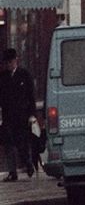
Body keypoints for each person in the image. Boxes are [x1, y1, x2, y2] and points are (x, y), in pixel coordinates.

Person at [0, 49, 35, 181]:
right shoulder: (3, 78)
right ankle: (12, 172)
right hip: (8, 116)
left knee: (22, 143)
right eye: (6, 63)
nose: (8, 65)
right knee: (8, 144)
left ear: (16, 60)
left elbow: (31, 96)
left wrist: (32, 114)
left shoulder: (24, 75)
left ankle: (28, 162)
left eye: (10, 62)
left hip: (22, 116)